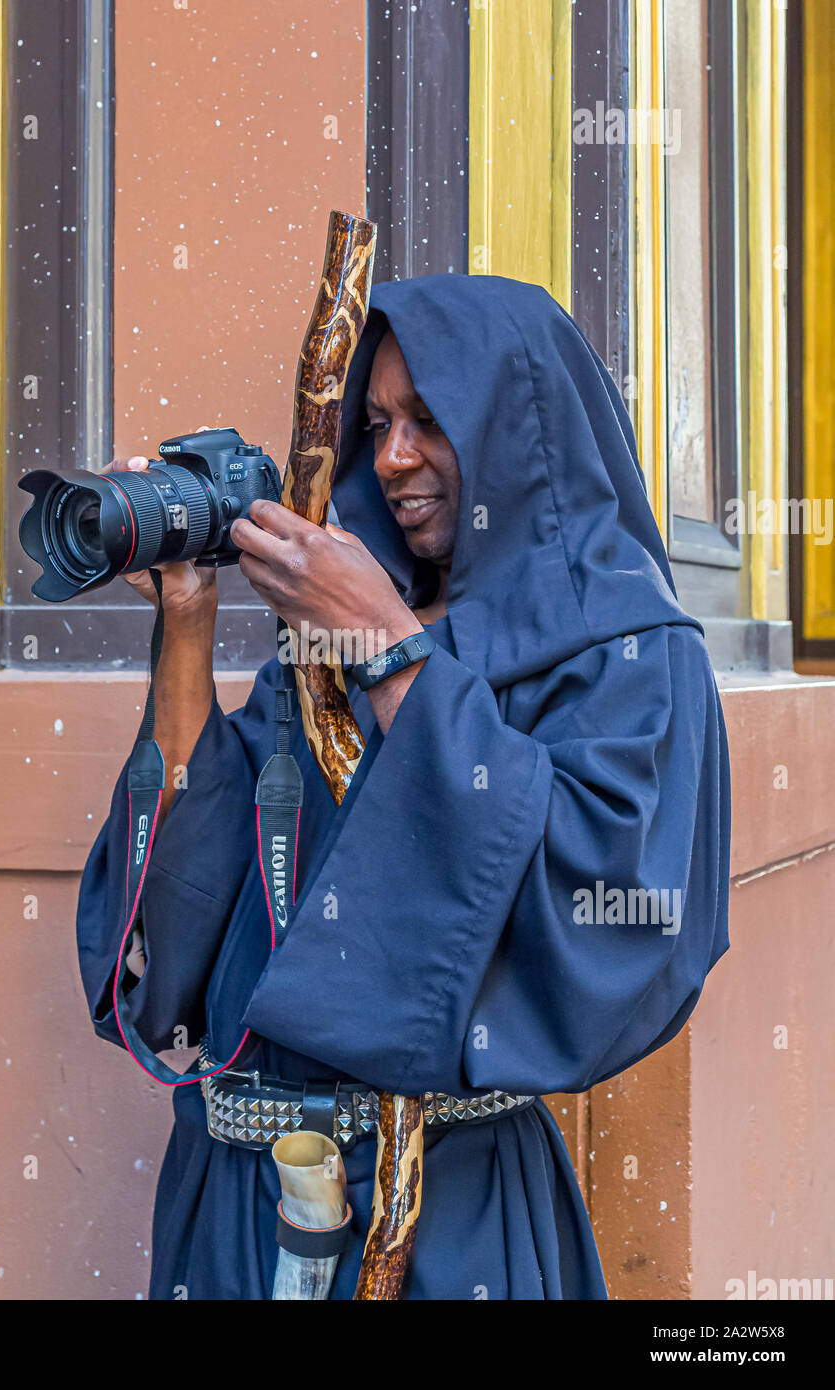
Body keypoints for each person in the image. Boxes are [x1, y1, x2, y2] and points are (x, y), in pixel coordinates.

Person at [76, 274, 730, 1300]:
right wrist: (189, 624)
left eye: (430, 419)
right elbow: (192, 931)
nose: (389, 458)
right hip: (236, 1208)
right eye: (374, 421)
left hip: (448, 1219)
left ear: (522, 426)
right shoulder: (330, 642)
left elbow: (617, 923)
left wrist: (390, 649)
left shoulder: (628, 651)